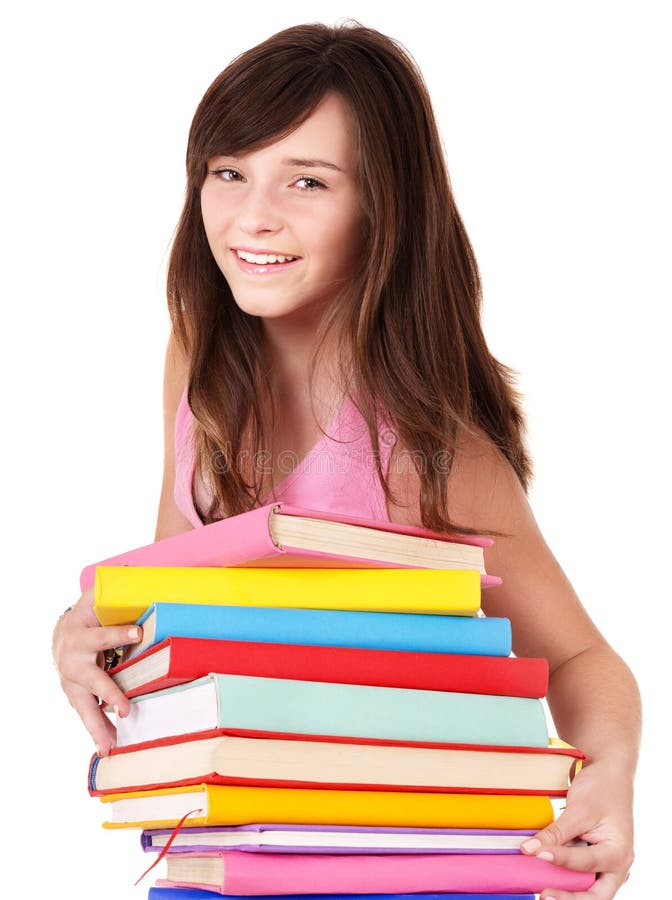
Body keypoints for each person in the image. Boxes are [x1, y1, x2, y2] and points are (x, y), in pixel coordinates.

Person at [52, 20, 640, 900]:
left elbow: (577, 657)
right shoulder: (198, 357)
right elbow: (179, 586)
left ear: (381, 206)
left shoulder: (426, 442)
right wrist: (84, 631)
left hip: (397, 862)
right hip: (225, 851)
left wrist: (609, 779)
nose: (253, 215)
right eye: (229, 172)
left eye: (308, 181)